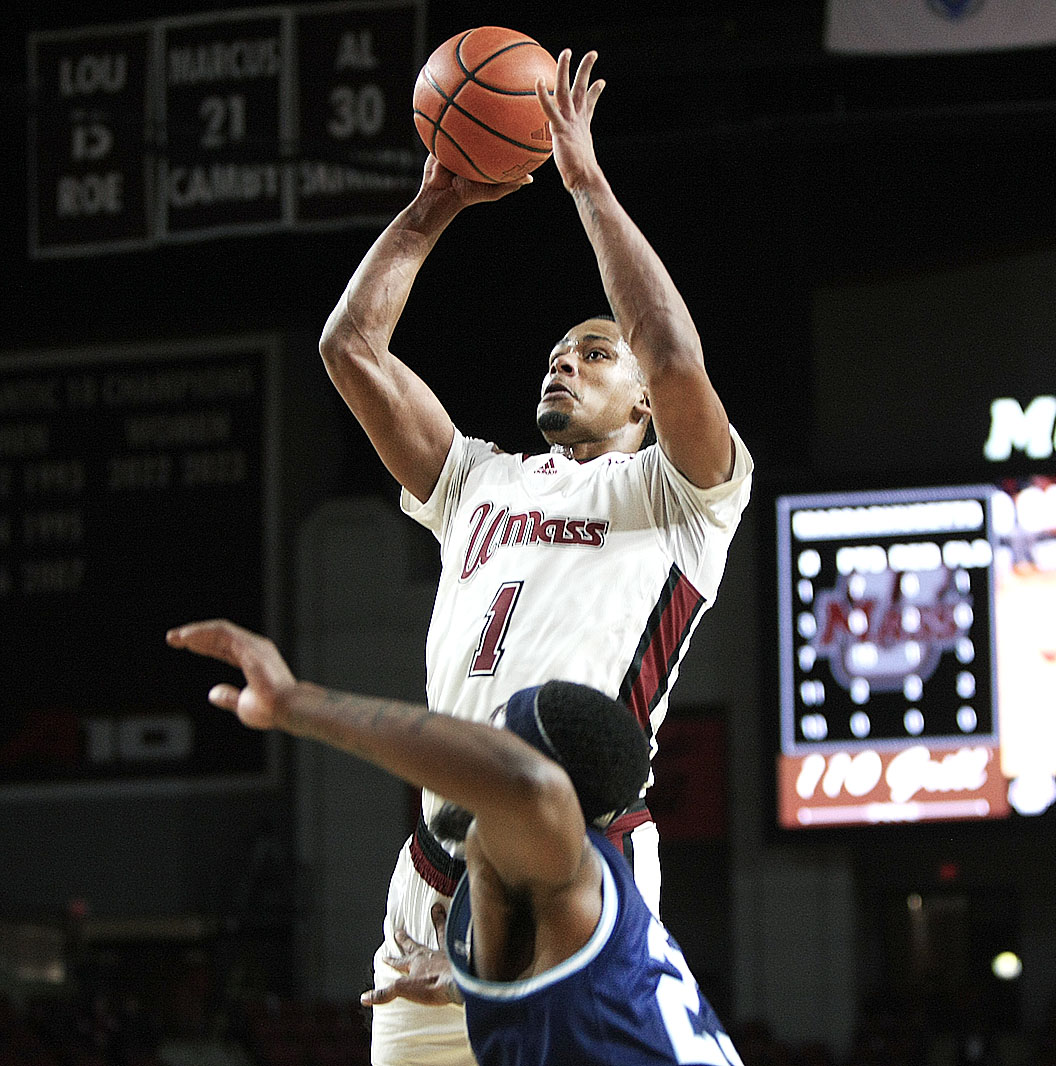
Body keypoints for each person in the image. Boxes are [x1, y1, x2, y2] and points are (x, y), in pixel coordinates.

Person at [318, 45, 753, 1065]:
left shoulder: (682, 496)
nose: (563, 358)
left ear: (641, 396)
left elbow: (675, 350)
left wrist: (586, 184)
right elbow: (350, 351)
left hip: (574, 865)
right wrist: (435, 200)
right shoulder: (476, 480)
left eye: (594, 351)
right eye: (556, 350)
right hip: (433, 878)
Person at [165, 619, 745, 1066]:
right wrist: (466, 982)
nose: (477, 743)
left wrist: (294, 704)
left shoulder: (568, 876)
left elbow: (525, 783)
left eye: (496, 739)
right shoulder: (532, 902)